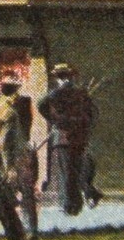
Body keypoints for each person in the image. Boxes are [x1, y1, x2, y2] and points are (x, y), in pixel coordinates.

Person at [0, 75, 41, 240]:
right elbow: (6, 143)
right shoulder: (10, 113)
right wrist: (10, 168)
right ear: (14, 93)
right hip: (10, 163)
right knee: (25, 196)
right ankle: (30, 235)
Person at [37, 63, 96, 215]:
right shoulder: (81, 93)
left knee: (66, 173)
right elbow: (92, 113)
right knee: (76, 170)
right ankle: (77, 203)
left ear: (58, 78)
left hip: (63, 138)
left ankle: (69, 205)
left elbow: (40, 105)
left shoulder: (56, 93)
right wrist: (82, 124)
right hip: (79, 137)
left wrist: (54, 120)